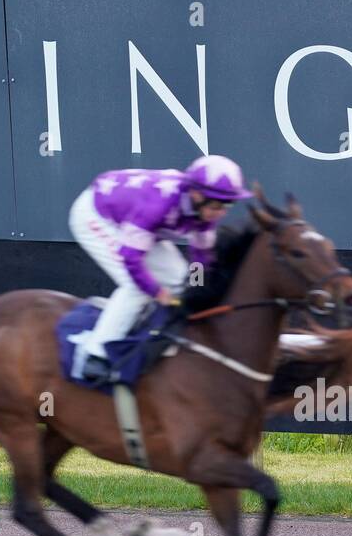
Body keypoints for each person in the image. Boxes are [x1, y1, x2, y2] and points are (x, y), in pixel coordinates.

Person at [68, 154, 252, 383]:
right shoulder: (158, 205)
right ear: (196, 195)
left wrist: (196, 291)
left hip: (134, 221)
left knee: (180, 281)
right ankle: (95, 354)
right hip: (96, 216)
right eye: (217, 204)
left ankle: (150, 330)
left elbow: (201, 255)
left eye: (228, 205)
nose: (222, 212)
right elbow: (131, 259)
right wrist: (157, 293)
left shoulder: (205, 209)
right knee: (136, 289)